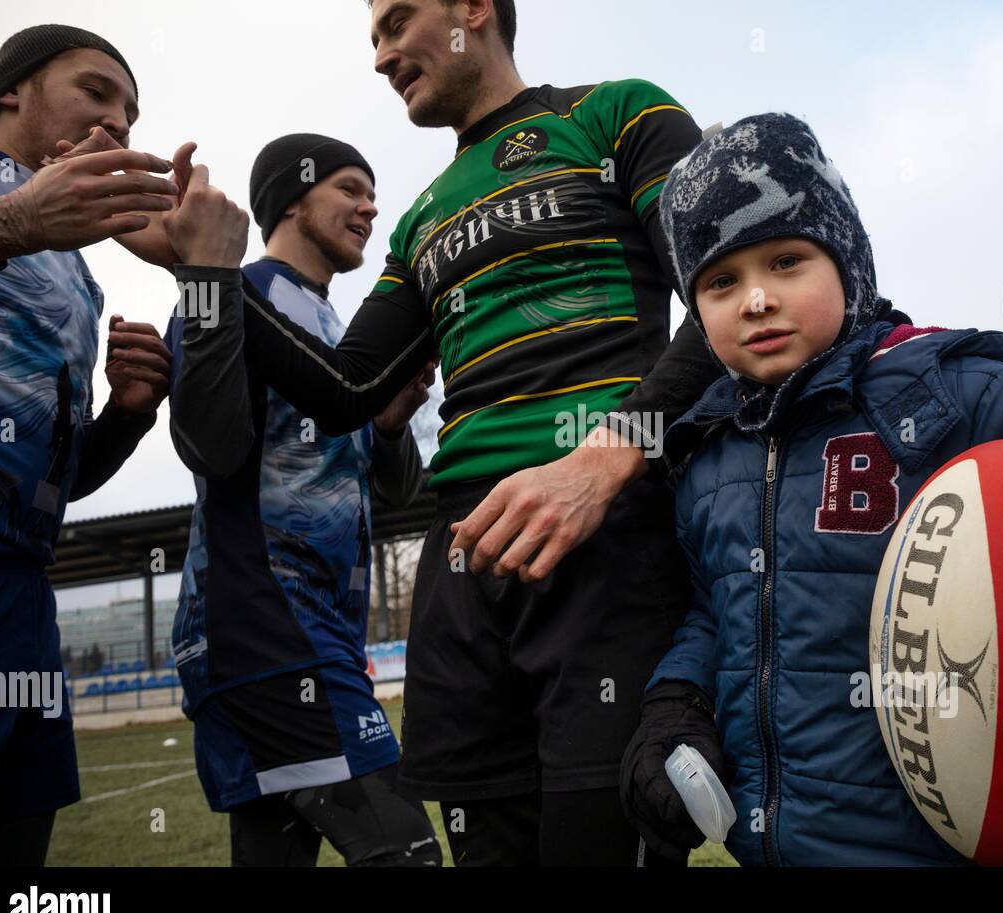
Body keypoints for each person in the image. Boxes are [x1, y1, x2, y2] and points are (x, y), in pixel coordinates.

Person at [165, 0, 723, 865]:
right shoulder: (423, 214)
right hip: (462, 562)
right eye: (374, 38)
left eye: (395, 23)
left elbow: (721, 302)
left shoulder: (617, 112)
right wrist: (202, 273)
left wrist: (604, 462)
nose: (383, 56)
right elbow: (345, 389)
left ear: (472, 10)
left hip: (605, 534)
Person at [619, 113, 1003, 866]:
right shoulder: (706, 456)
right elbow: (713, 615)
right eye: (721, 281)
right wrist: (676, 703)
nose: (755, 299)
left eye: (786, 261)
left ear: (849, 261)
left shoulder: (949, 391)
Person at [163, 134, 441, 867]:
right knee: (404, 849)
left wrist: (385, 427)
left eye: (372, 192)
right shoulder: (234, 289)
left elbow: (392, 491)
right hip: (265, 626)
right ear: (292, 198)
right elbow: (209, 448)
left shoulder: (335, 330)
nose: (369, 206)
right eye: (349, 188)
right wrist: (201, 279)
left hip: (315, 631)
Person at [0, 24, 179, 865]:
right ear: (10, 91)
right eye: (96, 92)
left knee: (17, 845)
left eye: (132, 112)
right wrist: (0, 223)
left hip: (23, 595)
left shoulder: (84, 277)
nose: (119, 122)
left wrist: (127, 413)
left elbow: (61, 477)